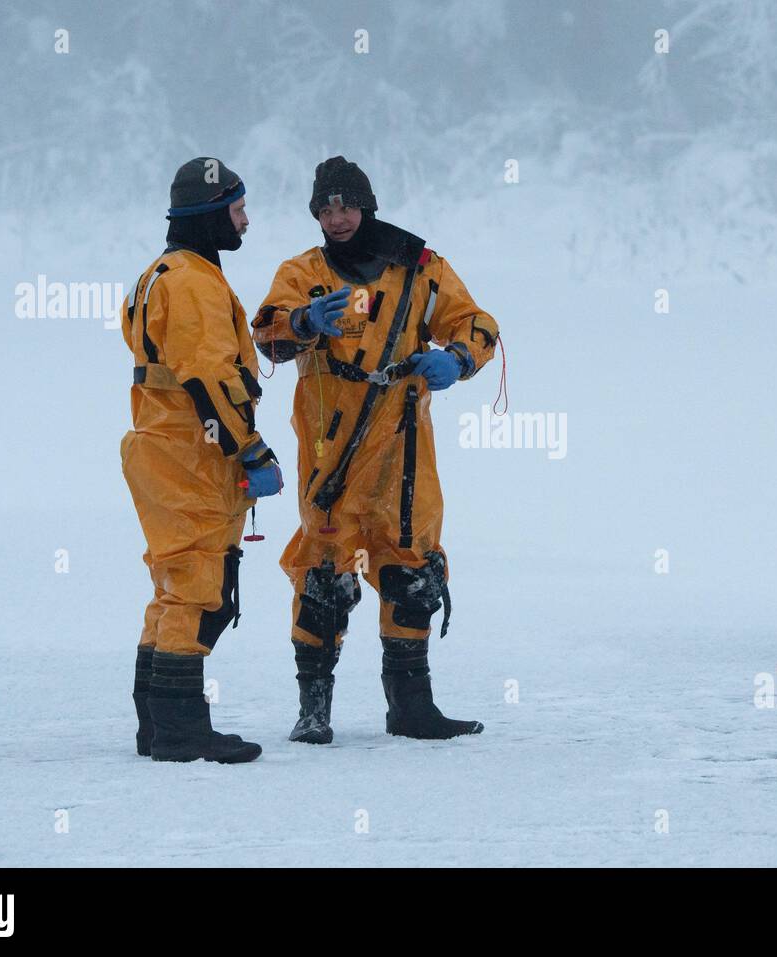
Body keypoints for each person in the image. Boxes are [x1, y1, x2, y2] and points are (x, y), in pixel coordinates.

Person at [252, 156, 500, 744]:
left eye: (346, 205)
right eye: (325, 208)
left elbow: (477, 322)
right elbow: (265, 330)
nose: (336, 218)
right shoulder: (303, 271)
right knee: (324, 575)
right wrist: (305, 321)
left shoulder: (419, 268)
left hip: (402, 450)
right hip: (330, 450)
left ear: (367, 205)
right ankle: (314, 711)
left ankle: (411, 707)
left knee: (412, 566)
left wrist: (458, 359)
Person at [120, 157, 282, 763]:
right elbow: (209, 380)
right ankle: (183, 734)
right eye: (238, 210)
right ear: (212, 215)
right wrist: (252, 450)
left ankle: (156, 725)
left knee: (170, 586)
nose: (246, 220)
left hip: (160, 446)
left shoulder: (158, 274)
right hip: (191, 453)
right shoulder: (190, 284)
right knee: (194, 586)